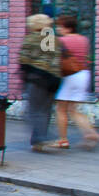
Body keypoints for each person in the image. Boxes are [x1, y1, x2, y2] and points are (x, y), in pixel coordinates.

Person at [49, 14, 98, 151]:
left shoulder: (62, 41)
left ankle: (63, 140)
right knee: (73, 109)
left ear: (68, 28)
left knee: (61, 108)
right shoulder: (84, 39)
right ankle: (91, 133)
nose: (58, 29)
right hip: (83, 74)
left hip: (69, 75)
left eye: (60, 26)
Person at [19, 13, 61, 152]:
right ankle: (38, 142)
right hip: (54, 79)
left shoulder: (31, 39)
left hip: (37, 78)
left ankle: (43, 137)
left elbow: (23, 60)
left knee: (34, 110)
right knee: (46, 110)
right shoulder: (53, 39)